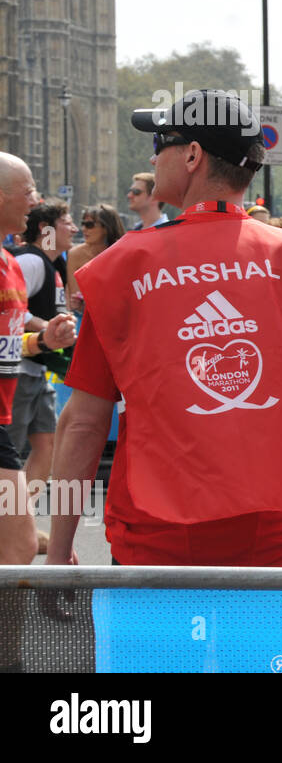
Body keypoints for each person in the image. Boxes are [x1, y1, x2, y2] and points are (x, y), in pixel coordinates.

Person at [47, 89, 282, 567]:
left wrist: (58, 550)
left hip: (154, 547)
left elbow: (84, 422)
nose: (152, 157)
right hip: (277, 544)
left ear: (192, 155)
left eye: (160, 143)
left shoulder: (123, 265)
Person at [0, 156, 77, 569]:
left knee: (18, 544)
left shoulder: (11, 263)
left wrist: (42, 340)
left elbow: (8, 342)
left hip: (7, 409)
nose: (36, 199)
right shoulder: (28, 260)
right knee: (18, 547)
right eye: (28, 189)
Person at [4, 200, 76, 494]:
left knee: (47, 444)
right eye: (66, 222)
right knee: (10, 451)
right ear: (46, 230)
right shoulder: (31, 261)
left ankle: (20, 518)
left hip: (37, 370)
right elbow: (9, 306)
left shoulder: (53, 264)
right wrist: (46, 328)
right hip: (17, 370)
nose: (73, 228)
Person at [67, 204, 125, 315]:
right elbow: (75, 296)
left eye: (89, 225)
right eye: (83, 224)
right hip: (85, 318)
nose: (83, 229)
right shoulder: (75, 254)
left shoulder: (121, 253)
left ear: (106, 228)